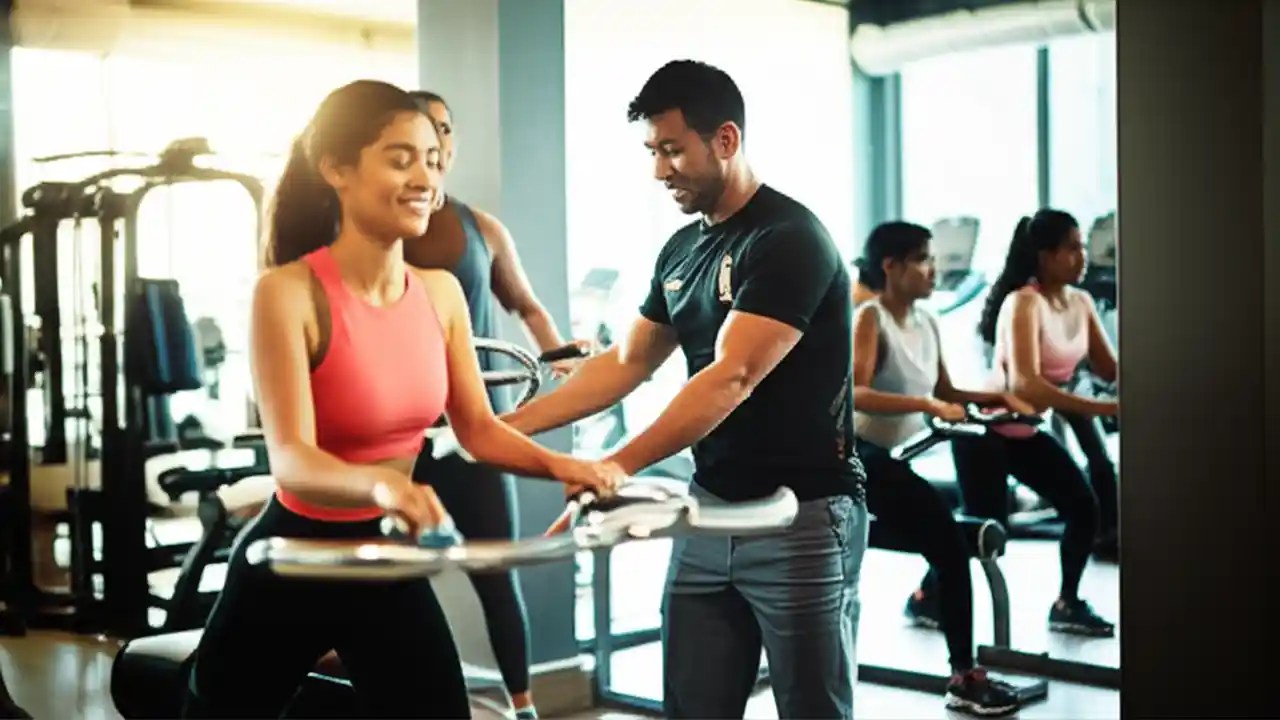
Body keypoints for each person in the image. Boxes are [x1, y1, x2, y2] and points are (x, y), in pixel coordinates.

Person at [181, 80, 623, 719]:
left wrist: (568, 466)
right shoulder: (287, 293)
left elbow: (477, 429)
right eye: (399, 158)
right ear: (337, 168)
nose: (425, 178)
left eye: (433, 160)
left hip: (382, 561)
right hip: (293, 559)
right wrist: (386, 488)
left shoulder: (440, 293)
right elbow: (292, 459)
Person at [501, 60, 868, 719]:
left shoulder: (789, 240)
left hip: (802, 516)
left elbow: (731, 378)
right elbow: (625, 362)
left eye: (672, 150)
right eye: (652, 151)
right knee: (693, 709)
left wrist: (616, 464)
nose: (659, 170)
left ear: (724, 140)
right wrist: (498, 429)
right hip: (709, 512)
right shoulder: (680, 250)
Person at [402, 89, 587, 720]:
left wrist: (561, 355)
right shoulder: (379, 230)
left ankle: (524, 707)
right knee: (385, 581)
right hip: (397, 434)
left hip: (470, 426)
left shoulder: (481, 227)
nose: (439, 143)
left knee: (496, 571)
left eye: (446, 130)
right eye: (424, 132)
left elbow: (528, 307)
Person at [851, 221, 1033, 716]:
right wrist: (925, 403)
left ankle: (959, 665)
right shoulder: (871, 318)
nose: (934, 270)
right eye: (923, 259)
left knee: (948, 546)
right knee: (950, 546)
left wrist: (997, 398)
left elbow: (947, 391)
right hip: (859, 457)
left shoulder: (926, 322)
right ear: (891, 267)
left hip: (892, 459)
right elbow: (857, 393)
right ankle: (964, 676)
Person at [958, 208, 1119, 637]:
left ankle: (1068, 603)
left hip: (1024, 431)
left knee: (1084, 508)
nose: (1081, 257)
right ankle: (928, 594)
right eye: (1072, 249)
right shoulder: (1023, 303)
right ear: (1046, 257)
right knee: (987, 531)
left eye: (1082, 247)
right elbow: (1026, 385)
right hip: (985, 432)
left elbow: (1109, 369)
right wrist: (1104, 410)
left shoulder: (1081, 302)